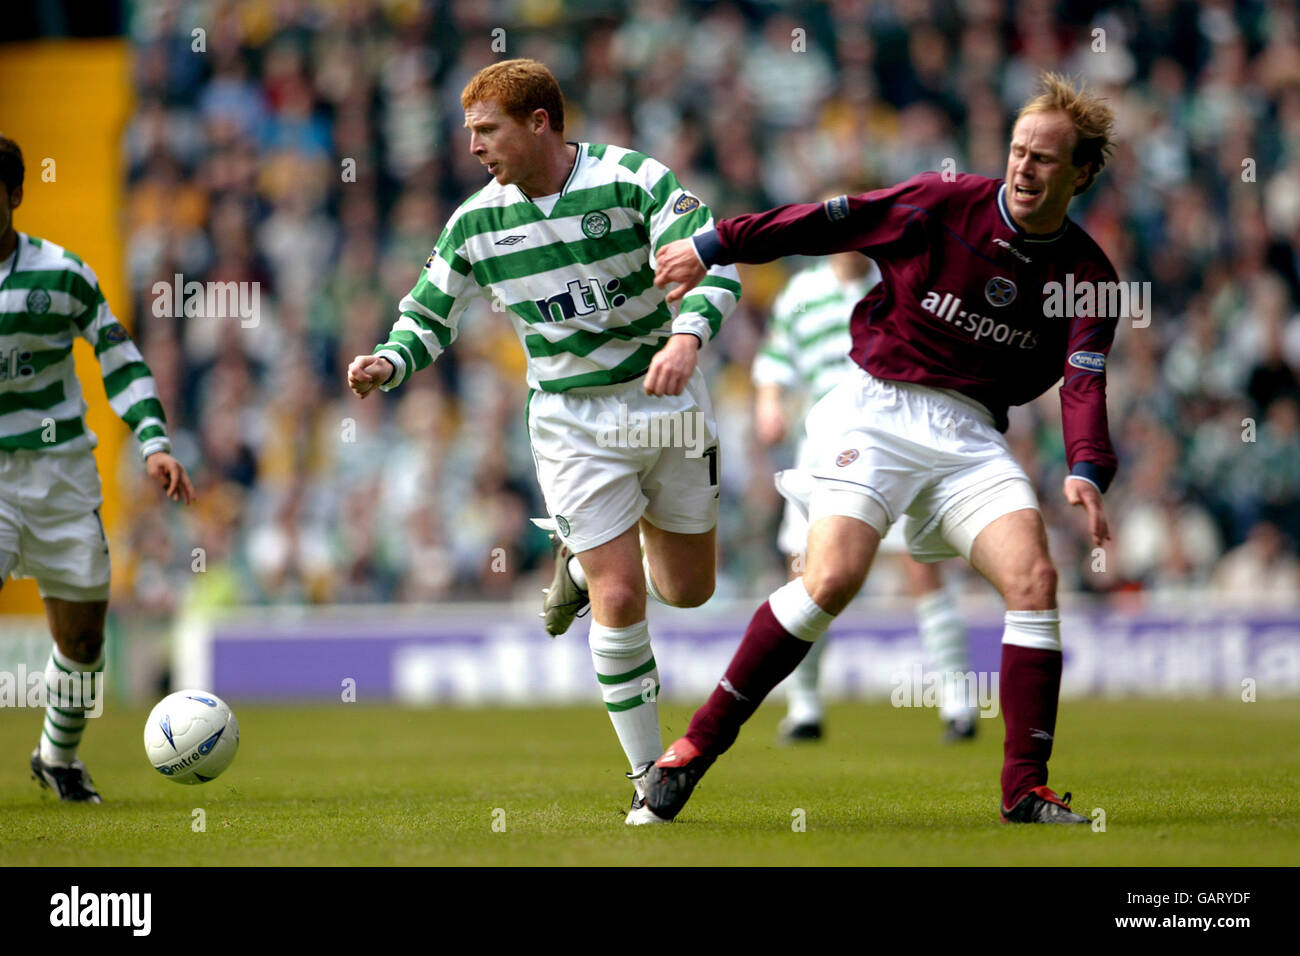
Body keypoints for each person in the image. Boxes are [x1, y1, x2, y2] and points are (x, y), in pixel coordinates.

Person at [643, 72, 1118, 824]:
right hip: (875, 410)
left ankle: (1024, 789)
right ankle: (695, 748)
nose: (1025, 168)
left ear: (1083, 172)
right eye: (1019, 150)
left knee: (1034, 578)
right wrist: (715, 242)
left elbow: (1084, 382)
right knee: (831, 579)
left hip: (969, 435)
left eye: (1047, 159)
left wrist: (1087, 468)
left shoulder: (1088, 276)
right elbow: (830, 220)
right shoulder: (944, 202)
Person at [346, 60, 740, 825]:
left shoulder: (634, 182)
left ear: (539, 123)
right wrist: (390, 361)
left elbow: (712, 263)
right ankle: (648, 781)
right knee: (622, 595)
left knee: (690, 591)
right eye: (467, 132)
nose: (473, 147)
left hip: (667, 398)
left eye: (486, 130)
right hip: (570, 419)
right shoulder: (474, 222)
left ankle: (580, 563)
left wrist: (688, 336)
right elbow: (428, 314)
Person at [0, 135, 195, 802]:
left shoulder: (61, 275)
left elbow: (119, 357)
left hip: (59, 475)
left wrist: (154, 442)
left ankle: (57, 756)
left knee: (82, 637)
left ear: (16, 196)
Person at [753, 241, 978, 744]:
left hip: (891, 445)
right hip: (820, 451)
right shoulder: (802, 293)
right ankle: (805, 707)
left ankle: (958, 705)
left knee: (921, 571)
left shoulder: (900, 285)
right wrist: (769, 404)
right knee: (808, 578)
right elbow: (773, 360)